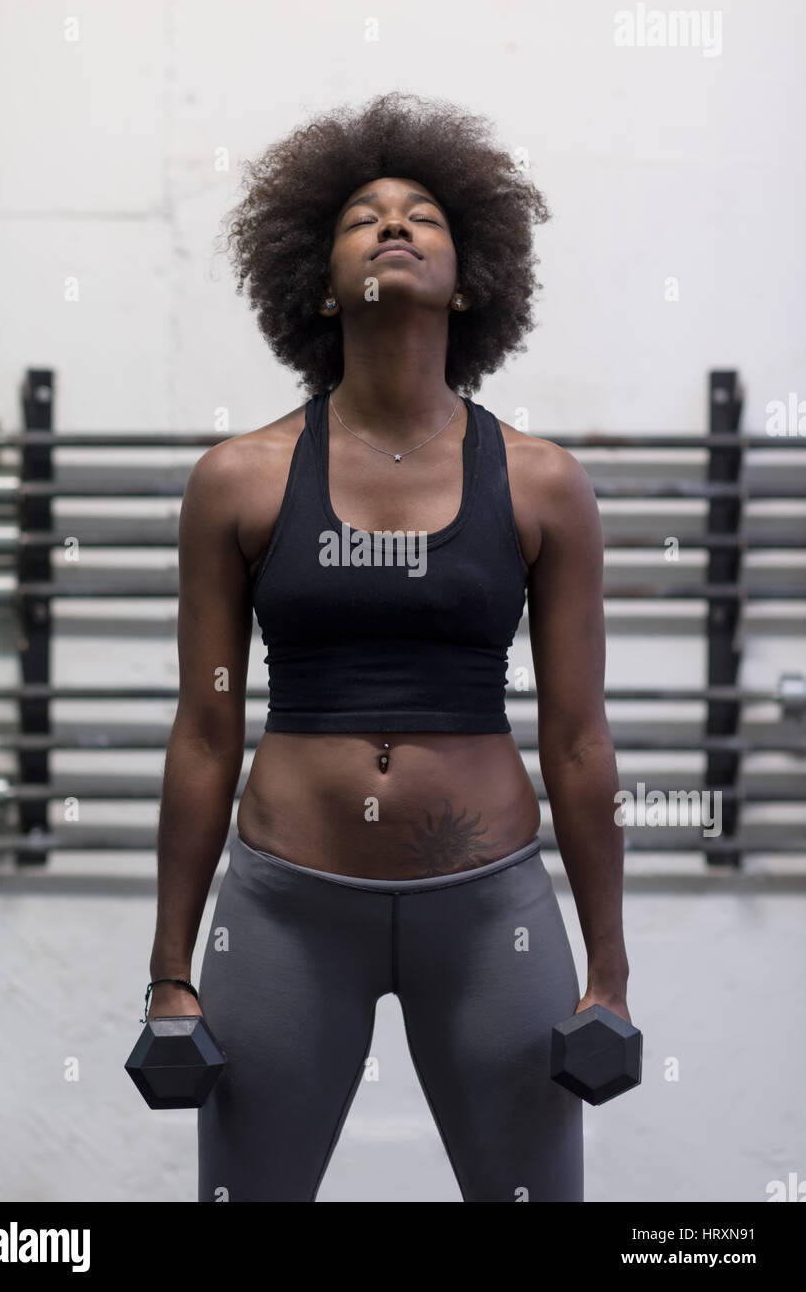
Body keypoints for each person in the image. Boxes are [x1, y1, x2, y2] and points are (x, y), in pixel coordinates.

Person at [145, 91, 631, 1202]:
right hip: (286, 907)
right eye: (365, 215)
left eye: (425, 215)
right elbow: (208, 728)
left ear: (470, 281)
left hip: (488, 904)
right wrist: (170, 973)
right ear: (322, 283)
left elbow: (579, 735)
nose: (396, 224)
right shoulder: (241, 478)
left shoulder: (545, 482)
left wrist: (608, 966)